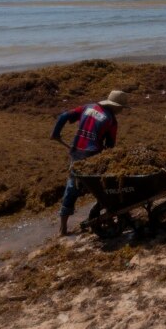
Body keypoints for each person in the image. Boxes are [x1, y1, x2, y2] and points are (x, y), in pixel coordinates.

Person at [51, 90, 131, 235]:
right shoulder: (111, 121)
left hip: (76, 153)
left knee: (71, 187)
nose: (121, 111)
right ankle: (111, 214)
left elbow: (63, 116)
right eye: (121, 108)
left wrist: (56, 134)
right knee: (102, 187)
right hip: (92, 155)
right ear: (116, 106)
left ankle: (63, 228)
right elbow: (110, 147)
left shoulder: (87, 107)